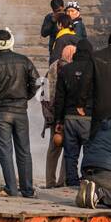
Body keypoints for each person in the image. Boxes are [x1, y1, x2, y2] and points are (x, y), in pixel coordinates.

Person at [0, 28, 39, 198]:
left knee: (5, 151)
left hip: (2, 112)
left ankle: (11, 189)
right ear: (12, 41)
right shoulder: (24, 61)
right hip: (21, 111)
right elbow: (37, 83)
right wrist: (25, 98)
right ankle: (28, 190)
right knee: (24, 151)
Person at [52, 38, 94, 188]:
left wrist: (58, 121)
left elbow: (59, 98)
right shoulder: (94, 68)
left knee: (70, 153)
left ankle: (72, 181)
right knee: (89, 152)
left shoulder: (65, 70)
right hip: (89, 117)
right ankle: (87, 180)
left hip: (69, 117)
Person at [41, 43, 72, 189]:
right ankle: (61, 181)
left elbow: (44, 96)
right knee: (68, 149)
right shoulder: (72, 70)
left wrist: (48, 116)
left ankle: (51, 181)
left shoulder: (52, 69)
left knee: (54, 149)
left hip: (54, 116)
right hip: (66, 116)